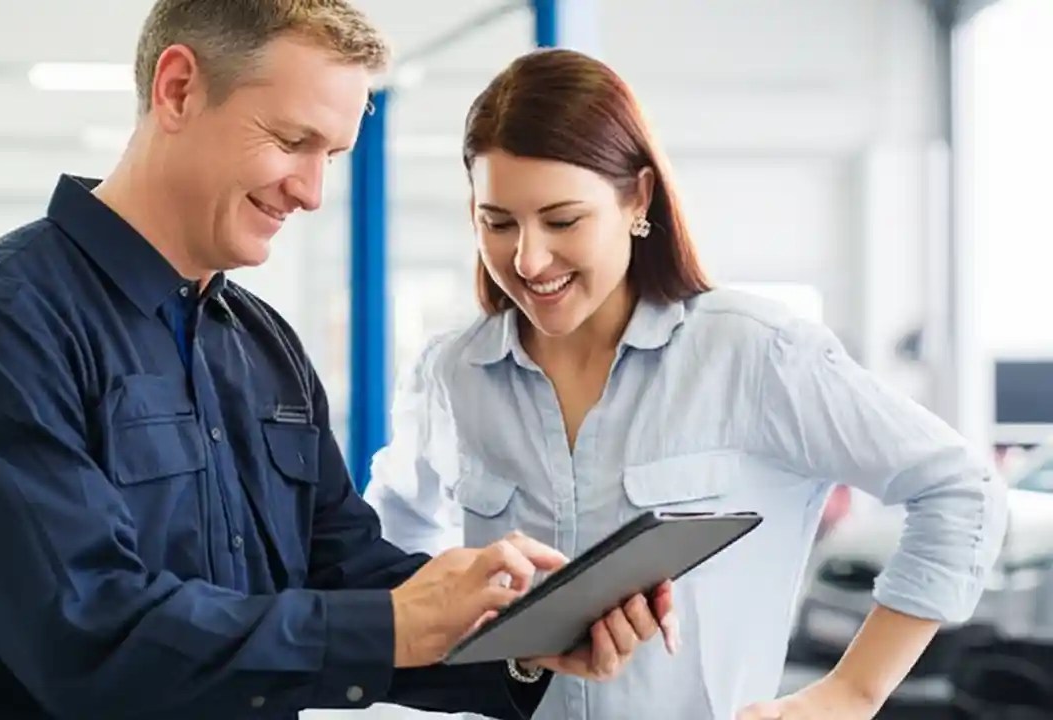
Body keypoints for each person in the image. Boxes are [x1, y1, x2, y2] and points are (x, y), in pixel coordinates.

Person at [0, 3, 677, 719]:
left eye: (333, 156)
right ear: (179, 89)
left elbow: (340, 573)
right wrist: (394, 625)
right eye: (291, 141)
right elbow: (89, 637)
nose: (311, 191)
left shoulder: (261, 347)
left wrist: (517, 635)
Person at [363, 47, 1009, 720]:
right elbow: (388, 555)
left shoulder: (754, 354)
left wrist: (850, 692)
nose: (528, 259)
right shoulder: (451, 375)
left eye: (562, 221)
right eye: (498, 223)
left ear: (637, 198)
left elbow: (962, 490)